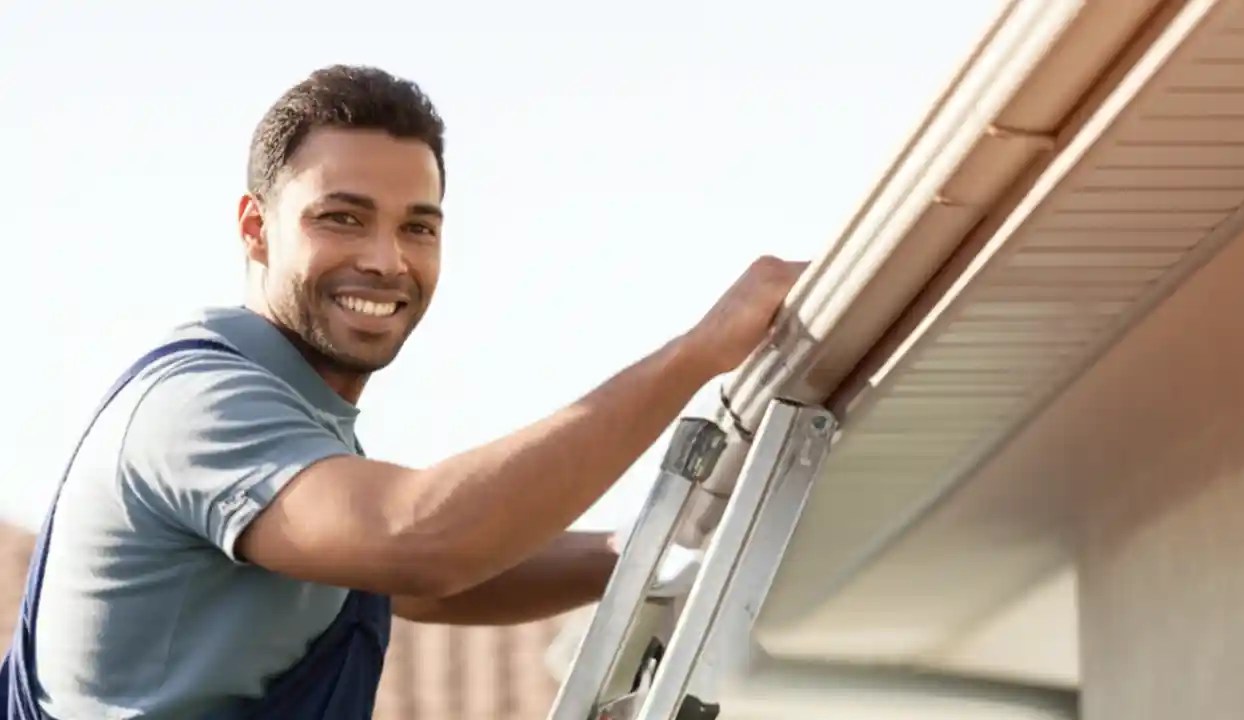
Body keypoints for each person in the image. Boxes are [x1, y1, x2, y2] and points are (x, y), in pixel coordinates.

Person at [1, 65, 805, 719]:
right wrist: (697, 354)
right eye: (344, 218)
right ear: (255, 228)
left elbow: (429, 580)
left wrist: (644, 553)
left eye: (418, 226)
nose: (388, 259)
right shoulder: (197, 408)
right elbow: (421, 544)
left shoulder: (303, 428)